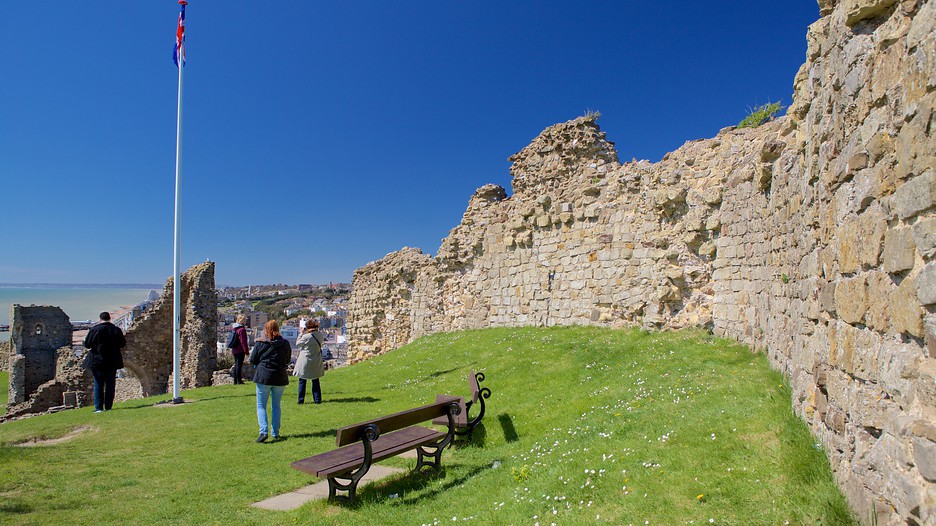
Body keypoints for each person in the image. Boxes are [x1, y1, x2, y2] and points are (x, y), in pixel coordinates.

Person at [250, 320, 291, 442]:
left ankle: (263, 431)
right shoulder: (285, 344)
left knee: (261, 406)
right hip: (280, 376)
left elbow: (253, 359)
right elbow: (287, 360)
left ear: (266, 330)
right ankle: (275, 432)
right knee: (276, 406)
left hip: (264, 376)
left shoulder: (260, 344)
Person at [82, 312, 127, 413]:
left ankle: (98, 408)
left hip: (97, 361)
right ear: (109, 318)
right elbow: (123, 343)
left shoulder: (95, 330)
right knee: (110, 384)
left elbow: (87, 344)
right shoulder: (116, 330)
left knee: (98, 384)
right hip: (112, 361)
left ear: (100, 319)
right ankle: (108, 407)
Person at [294, 320, 325, 404]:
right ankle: (317, 399)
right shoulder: (320, 336)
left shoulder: (306, 337)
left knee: (302, 380)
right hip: (316, 359)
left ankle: (301, 400)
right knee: (315, 380)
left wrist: (301, 333)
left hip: (305, 360)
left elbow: (297, 344)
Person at [226, 314, 250, 384]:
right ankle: (239, 381)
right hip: (240, 350)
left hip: (234, 349)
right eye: (245, 320)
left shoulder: (235, 328)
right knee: (239, 365)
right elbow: (243, 341)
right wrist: (246, 351)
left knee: (236, 365)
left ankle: (235, 380)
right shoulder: (241, 329)